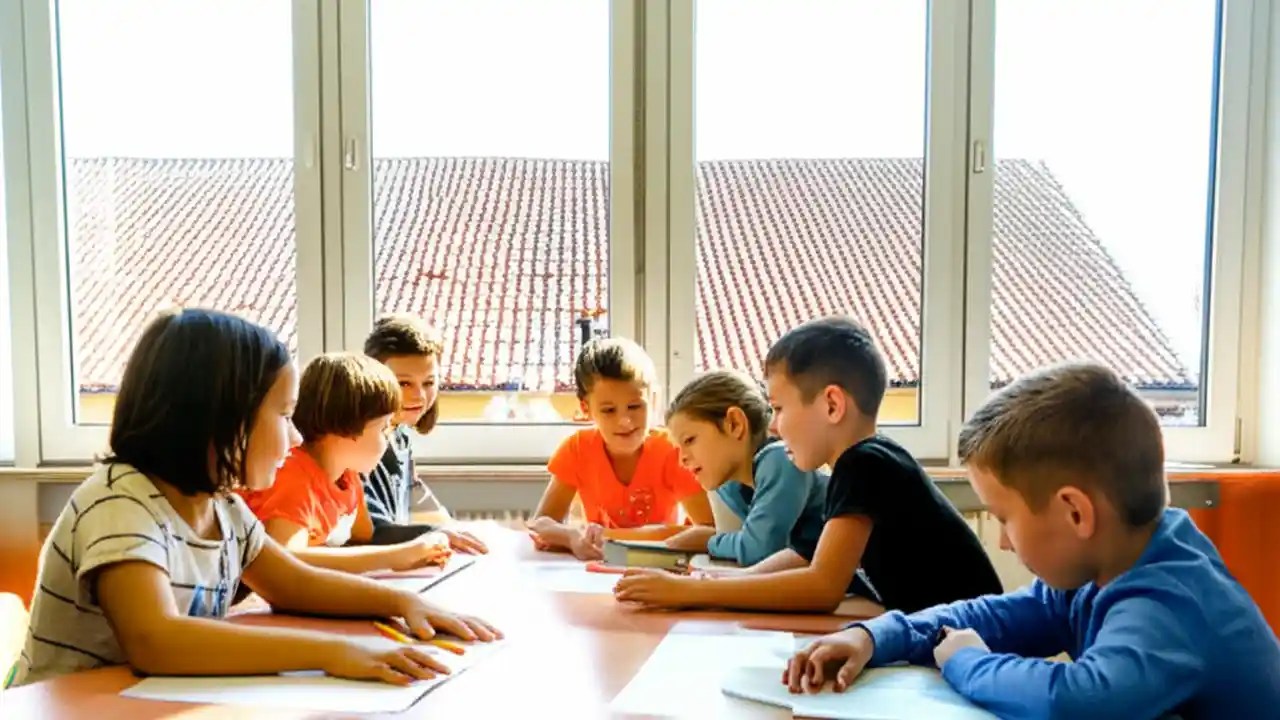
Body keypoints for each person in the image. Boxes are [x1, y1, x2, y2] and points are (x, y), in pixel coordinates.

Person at [9, 309, 498, 688]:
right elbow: (154, 640)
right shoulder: (121, 503)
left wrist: (402, 601)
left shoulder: (224, 508)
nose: (293, 438)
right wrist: (329, 653)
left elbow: (294, 583)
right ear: (219, 419)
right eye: (284, 416)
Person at [784, 362, 1280, 720]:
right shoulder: (1106, 565)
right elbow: (988, 616)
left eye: (1004, 518)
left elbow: (1072, 702)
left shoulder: (1170, 601)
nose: (1001, 542)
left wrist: (966, 661)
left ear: (1074, 512)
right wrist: (872, 636)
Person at [616, 317, 1001, 613]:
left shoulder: (866, 464)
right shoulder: (858, 467)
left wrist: (694, 592)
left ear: (832, 405)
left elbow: (821, 588)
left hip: (976, 637)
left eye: (780, 408)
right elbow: (805, 552)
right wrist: (718, 579)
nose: (774, 425)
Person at [240, 353, 453, 574]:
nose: (388, 439)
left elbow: (363, 538)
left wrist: (418, 551)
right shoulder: (292, 477)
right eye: (383, 428)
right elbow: (284, 560)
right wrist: (395, 556)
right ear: (348, 427)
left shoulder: (348, 477)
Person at [528, 337, 714, 560]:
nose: (625, 421)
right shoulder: (577, 449)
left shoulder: (674, 451)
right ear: (586, 408)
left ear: (654, 400)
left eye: (634, 406)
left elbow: (710, 530)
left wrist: (610, 536)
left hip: (658, 567)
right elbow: (540, 524)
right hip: (596, 569)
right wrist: (571, 537)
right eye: (608, 410)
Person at [656, 369, 827, 567]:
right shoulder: (731, 484)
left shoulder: (781, 460)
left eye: (690, 440)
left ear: (735, 424)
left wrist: (708, 542)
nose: (682, 460)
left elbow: (757, 549)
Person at [362, 314, 486, 553]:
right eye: (404, 384)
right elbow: (369, 529)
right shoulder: (358, 442)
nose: (419, 396)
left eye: (429, 383)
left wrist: (451, 528)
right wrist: (434, 533)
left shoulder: (400, 433)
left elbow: (413, 487)